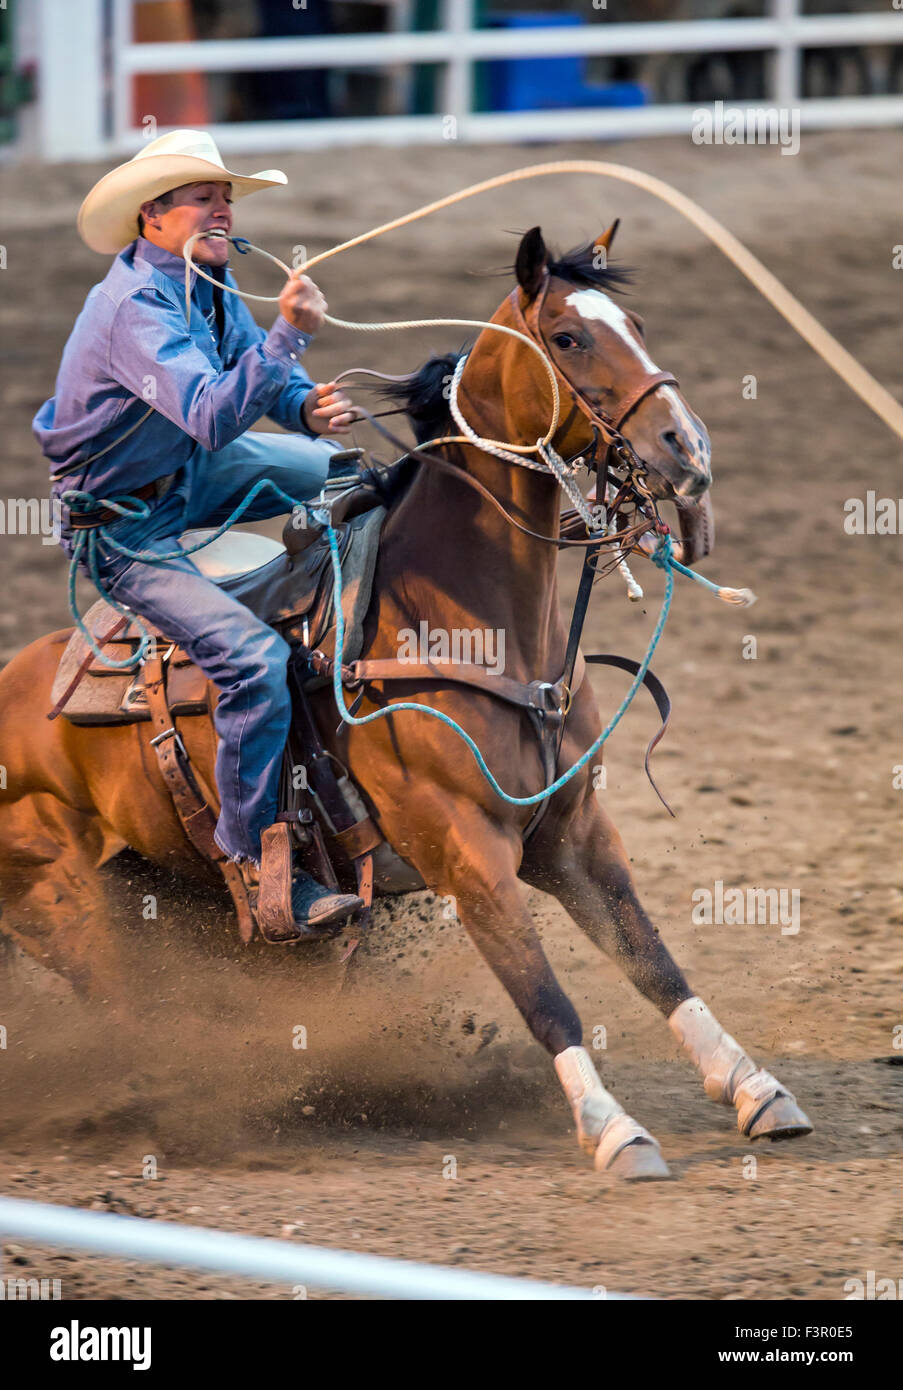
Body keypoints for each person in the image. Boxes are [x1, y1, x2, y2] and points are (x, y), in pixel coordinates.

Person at [33, 129, 363, 940]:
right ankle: (256, 862)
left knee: (347, 469)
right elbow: (214, 416)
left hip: (182, 473)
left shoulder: (209, 282)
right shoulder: (131, 310)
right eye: (200, 196)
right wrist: (291, 334)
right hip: (126, 526)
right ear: (152, 217)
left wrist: (306, 407)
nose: (220, 207)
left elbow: (267, 386)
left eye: (224, 196)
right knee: (251, 663)